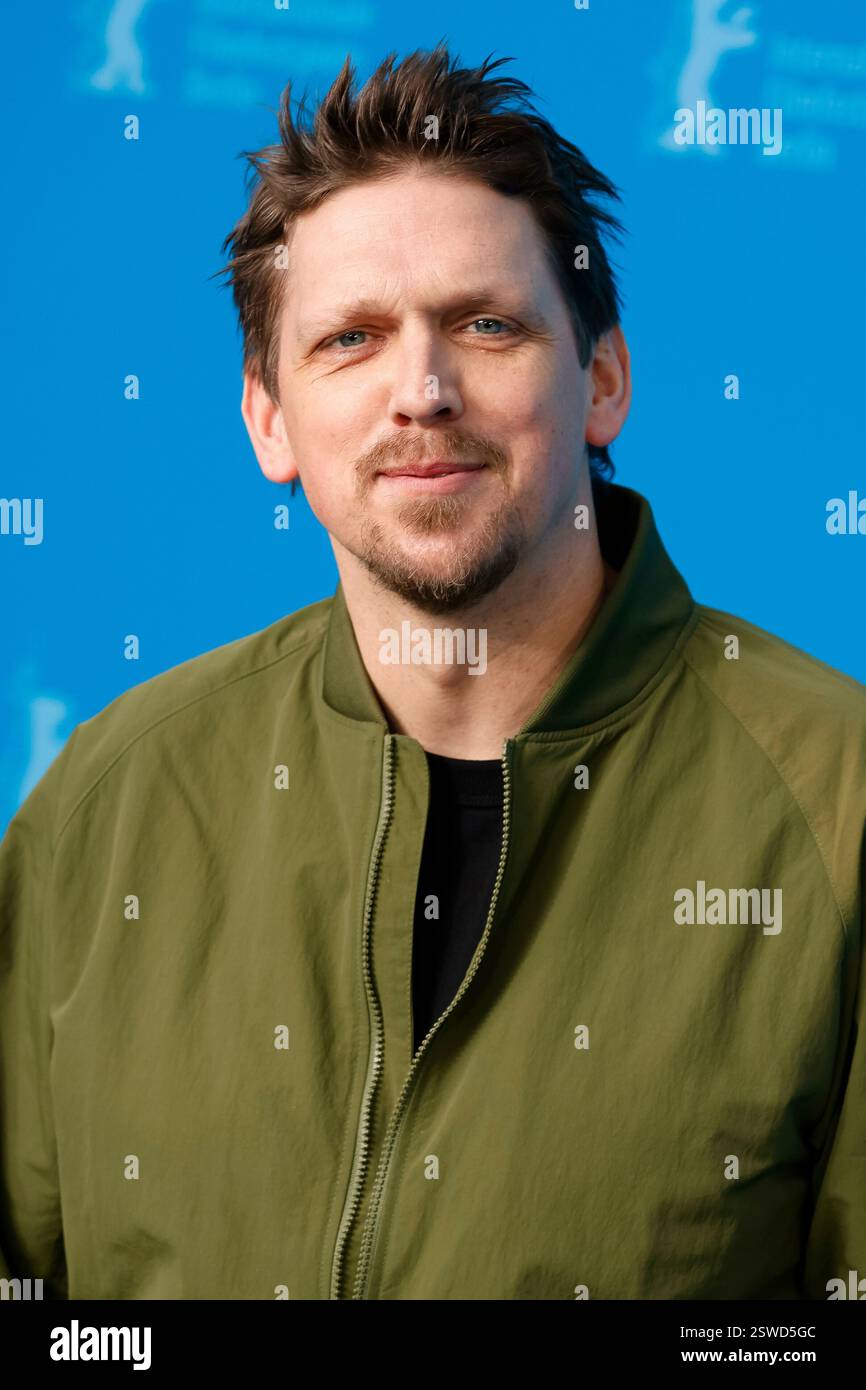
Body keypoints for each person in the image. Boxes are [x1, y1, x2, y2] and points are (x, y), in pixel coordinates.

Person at [2, 41, 865, 1303]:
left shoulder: (837, 803)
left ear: (602, 380)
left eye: (486, 322)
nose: (421, 390)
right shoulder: (109, 804)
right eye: (349, 339)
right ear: (268, 420)